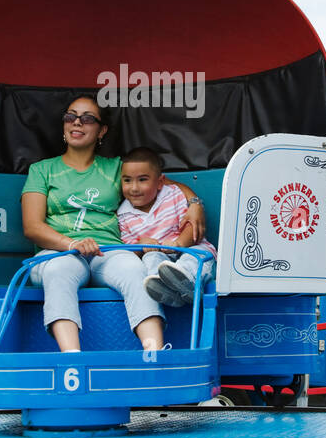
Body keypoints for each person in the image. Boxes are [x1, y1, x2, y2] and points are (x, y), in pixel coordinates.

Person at [20, 95, 206, 352]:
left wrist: (194, 203)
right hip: (57, 251)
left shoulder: (114, 168)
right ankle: (73, 358)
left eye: (87, 119)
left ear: (101, 130)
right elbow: (32, 226)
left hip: (106, 251)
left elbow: (160, 183)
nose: (77, 123)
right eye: (70, 117)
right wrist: (71, 243)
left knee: (133, 267)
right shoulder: (42, 170)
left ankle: (154, 353)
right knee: (58, 271)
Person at [117, 147, 216, 307]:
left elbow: (193, 227)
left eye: (142, 180)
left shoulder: (173, 194)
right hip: (162, 258)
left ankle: (190, 284)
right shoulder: (123, 214)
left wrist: (179, 245)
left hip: (189, 249)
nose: (134, 188)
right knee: (151, 259)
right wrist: (142, 245)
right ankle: (165, 289)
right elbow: (129, 248)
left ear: (160, 182)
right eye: (127, 180)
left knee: (195, 257)